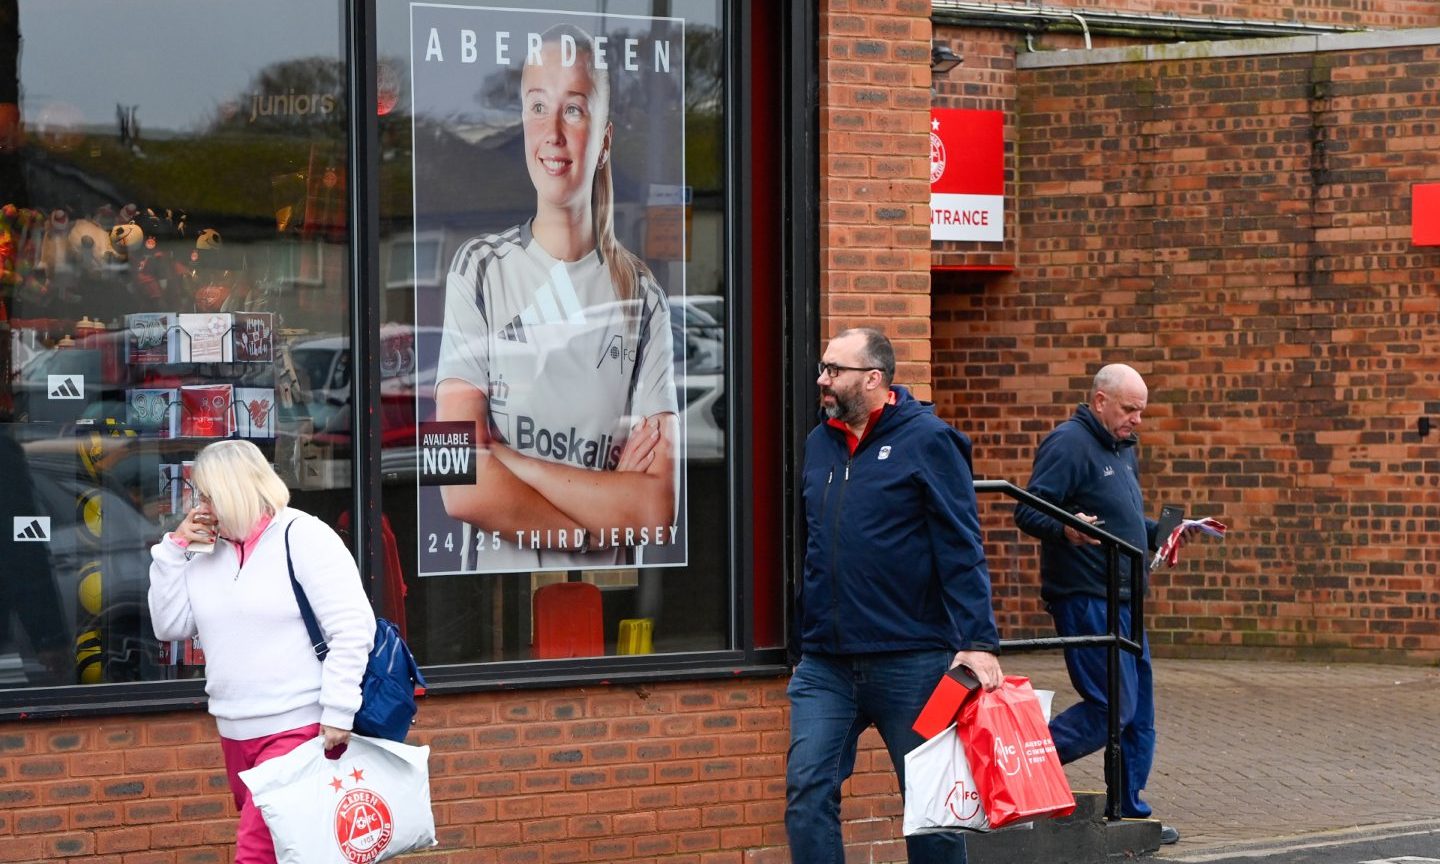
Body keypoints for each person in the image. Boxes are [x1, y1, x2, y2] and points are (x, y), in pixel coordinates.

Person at [434, 22, 679, 572]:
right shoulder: (476, 270)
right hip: (496, 603)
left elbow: (657, 509)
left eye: (573, 109)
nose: (553, 133)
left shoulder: (644, 299)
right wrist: (592, 527)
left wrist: (508, 460)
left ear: (605, 140)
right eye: (537, 107)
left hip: (609, 600)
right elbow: (456, 483)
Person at [787, 327, 1004, 864]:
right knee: (807, 791)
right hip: (826, 664)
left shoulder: (929, 441)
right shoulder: (819, 443)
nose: (822, 379)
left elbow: (961, 546)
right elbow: (810, 542)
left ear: (874, 378)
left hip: (913, 662)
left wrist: (978, 641)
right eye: (823, 368)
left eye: (834, 370)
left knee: (931, 812)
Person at [148, 439, 375, 864]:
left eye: (208, 496)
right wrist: (173, 550)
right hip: (235, 730)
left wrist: (339, 710)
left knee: (255, 852)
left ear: (233, 491)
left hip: (299, 727)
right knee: (293, 851)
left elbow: (352, 628)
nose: (200, 506)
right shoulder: (204, 550)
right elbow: (171, 625)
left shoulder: (303, 536)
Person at [1012, 363, 1182, 846]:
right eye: (1129, 410)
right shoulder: (1068, 443)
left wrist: (1159, 533)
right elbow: (1028, 509)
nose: (1137, 420)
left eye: (1141, 411)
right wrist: (1065, 527)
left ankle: (1128, 810)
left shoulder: (1123, 448)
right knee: (1113, 706)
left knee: (1139, 711)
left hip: (1127, 597)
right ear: (1100, 401)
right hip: (1087, 595)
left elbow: (1120, 519)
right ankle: (1017, 765)